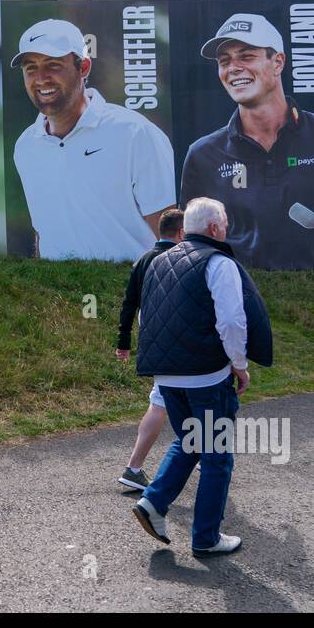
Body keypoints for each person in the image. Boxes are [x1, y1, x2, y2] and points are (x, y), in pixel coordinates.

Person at [130, 197, 273, 557]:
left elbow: (148, 319)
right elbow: (230, 321)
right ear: (213, 228)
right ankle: (206, 537)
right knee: (217, 456)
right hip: (206, 377)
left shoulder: (159, 261)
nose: (226, 229)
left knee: (191, 441)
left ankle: (154, 502)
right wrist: (238, 363)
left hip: (166, 375)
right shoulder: (219, 262)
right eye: (224, 223)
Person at [180, 12, 314, 272]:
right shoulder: (203, 155)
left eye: (246, 56)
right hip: (238, 299)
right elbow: (192, 242)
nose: (233, 68)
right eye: (224, 61)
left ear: (278, 62)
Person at [11, 18, 177, 262]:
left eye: (53, 65)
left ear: (84, 67)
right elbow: (43, 231)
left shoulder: (135, 133)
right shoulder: (25, 146)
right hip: (57, 296)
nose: (41, 77)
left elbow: (170, 236)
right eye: (30, 67)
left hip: (130, 292)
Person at [114, 207, 184, 492]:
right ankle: (134, 468)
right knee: (165, 401)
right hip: (176, 341)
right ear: (181, 232)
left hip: (151, 340)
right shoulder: (181, 259)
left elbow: (129, 304)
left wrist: (124, 341)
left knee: (172, 400)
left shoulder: (142, 260)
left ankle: (198, 452)